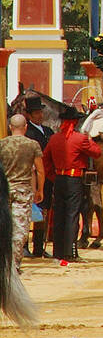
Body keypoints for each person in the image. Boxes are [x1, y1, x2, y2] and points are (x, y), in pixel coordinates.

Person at [42, 105, 102, 262]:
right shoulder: (80, 139)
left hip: (59, 179)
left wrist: (52, 176)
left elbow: (45, 160)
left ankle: (58, 251)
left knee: (60, 215)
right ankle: (70, 252)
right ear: (75, 122)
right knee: (72, 215)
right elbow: (97, 152)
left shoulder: (54, 138)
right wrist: (89, 139)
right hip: (74, 180)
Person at [0, 114, 45, 271]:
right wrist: (40, 190)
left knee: (4, 226)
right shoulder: (33, 145)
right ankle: (14, 265)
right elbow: (40, 170)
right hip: (23, 191)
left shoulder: (2, 144)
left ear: (10, 127)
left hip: (4, 191)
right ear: (25, 127)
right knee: (20, 229)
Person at [24, 95, 53, 257]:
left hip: (46, 177)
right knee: (29, 212)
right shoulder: (28, 132)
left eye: (40, 112)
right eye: (36, 113)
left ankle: (39, 246)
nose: (39, 116)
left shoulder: (48, 131)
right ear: (29, 115)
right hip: (32, 176)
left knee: (43, 212)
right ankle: (25, 245)